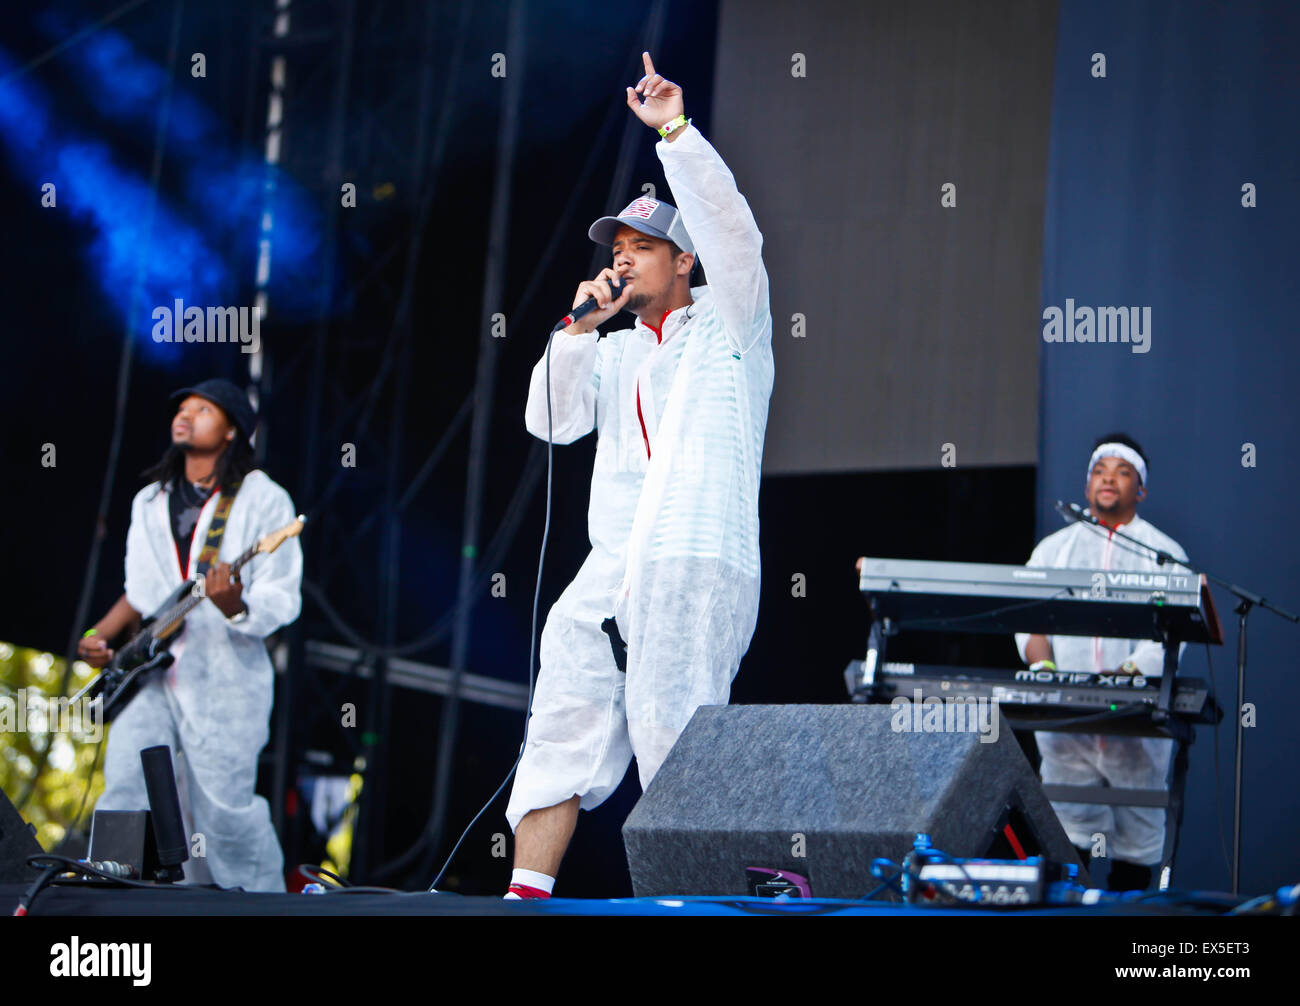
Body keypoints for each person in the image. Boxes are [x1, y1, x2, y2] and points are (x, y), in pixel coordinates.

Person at [501, 52, 773, 899]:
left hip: (694, 559)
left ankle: (701, 898)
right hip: (613, 562)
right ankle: (526, 896)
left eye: (641, 248)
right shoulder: (611, 351)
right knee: (562, 718)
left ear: (683, 262)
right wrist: (578, 328)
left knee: (674, 736)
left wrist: (674, 132)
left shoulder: (733, 328)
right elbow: (550, 420)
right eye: (616, 248)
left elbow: (730, 227)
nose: (622, 260)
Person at [79, 378, 302, 892]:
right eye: (183, 407)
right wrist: (100, 636)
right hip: (150, 674)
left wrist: (235, 602)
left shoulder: (264, 500)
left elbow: (283, 597)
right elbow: (142, 593)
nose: (186, 414)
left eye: (203, 409)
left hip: (225, 682)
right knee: (125, 781)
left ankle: (260, 904)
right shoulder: (149, 501)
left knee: (221, 810)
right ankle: (107, 900)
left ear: (231, 432)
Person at [1014, 433, 1188, 891]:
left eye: (1122, 472)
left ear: (1140, 490)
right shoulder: (1055, 549)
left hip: (1135, 724)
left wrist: (1124, 678)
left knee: (1134, 847)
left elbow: (1173, 636)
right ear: (1088, 484)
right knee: (1068, 843)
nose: (1108, 478)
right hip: (1067, 723)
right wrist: (1046, 674)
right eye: (1099, 470)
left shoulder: (1163, 555)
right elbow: (1027, 622)